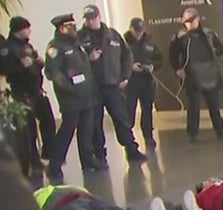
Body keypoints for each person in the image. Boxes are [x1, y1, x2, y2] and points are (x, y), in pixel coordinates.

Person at [78, 5, 147, 166]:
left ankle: (131, 150)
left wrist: (125, 77)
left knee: (122, 119)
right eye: (88, 18)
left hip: (112, 85)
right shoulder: (80, 38)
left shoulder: (113, 35)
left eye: (93, 17)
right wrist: (89, 58)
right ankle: (100, 155)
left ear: (99, 17)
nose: (91, 21)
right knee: (95, 123)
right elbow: (76, 63)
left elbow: (127, 55)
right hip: (92, 88)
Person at [43, 14, 103, 180]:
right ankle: (54, 164)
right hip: (71, 98)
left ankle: (88, 160)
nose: (75, 29)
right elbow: (53, 73)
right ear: (62, 28)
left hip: (86, 95)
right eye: (71, 26)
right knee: (67, 131)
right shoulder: (55, 47)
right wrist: (70, 89)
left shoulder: (76, 44)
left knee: (86, 129)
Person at [2, 16, 56, 177]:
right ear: (19, 29)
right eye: (27, 28)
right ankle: (34, 160)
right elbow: (5, 70)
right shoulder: (7, 48)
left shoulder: (27, 45)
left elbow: (34, 66)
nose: (29, 31)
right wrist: (20, 66)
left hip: (36, 91)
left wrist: (39, 62)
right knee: (29, 131)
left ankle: (49, 152)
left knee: (48, 122)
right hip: (22, 93)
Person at [169, 7, 223, 142]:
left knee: (214, 105)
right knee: (193, 105)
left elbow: (220, 49)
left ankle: (220, 131)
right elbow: (172, 54)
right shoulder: (181, 36)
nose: (188, 23)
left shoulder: (208, 34)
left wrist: (213, 50)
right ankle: (192, 134)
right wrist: (178, 69)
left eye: (190, 20)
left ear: (197, 19)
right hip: (192, 75)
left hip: (209, 72)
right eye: (185, 21)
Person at [123, 18, 161, 148]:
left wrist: (152, 66)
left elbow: (158, 58)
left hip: (146, 80)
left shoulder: (149, 40)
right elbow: (116, 61)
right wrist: (130, 67)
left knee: (147, 109)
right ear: (130, 28)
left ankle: (148, 136)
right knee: (129, 110)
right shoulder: (122, 42)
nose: (138, 34)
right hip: (131, 81)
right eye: (136, 31)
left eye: (140, 30)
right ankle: (129, 140)